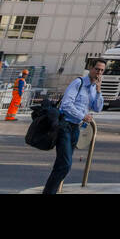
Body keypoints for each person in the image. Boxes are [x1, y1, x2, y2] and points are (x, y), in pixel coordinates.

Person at [43, 59, 106, 194]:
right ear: (90, 68)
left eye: (102, 70)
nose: (98, 73)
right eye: (97, 69)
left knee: (62, 164)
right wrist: (82, 116)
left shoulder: (94, 88)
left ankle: (49, 191)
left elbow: (98, 108)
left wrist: (99, 91)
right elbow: (66, 105)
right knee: (65, 164)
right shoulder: (79, 83)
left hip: (76, 128)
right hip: (65, 125)